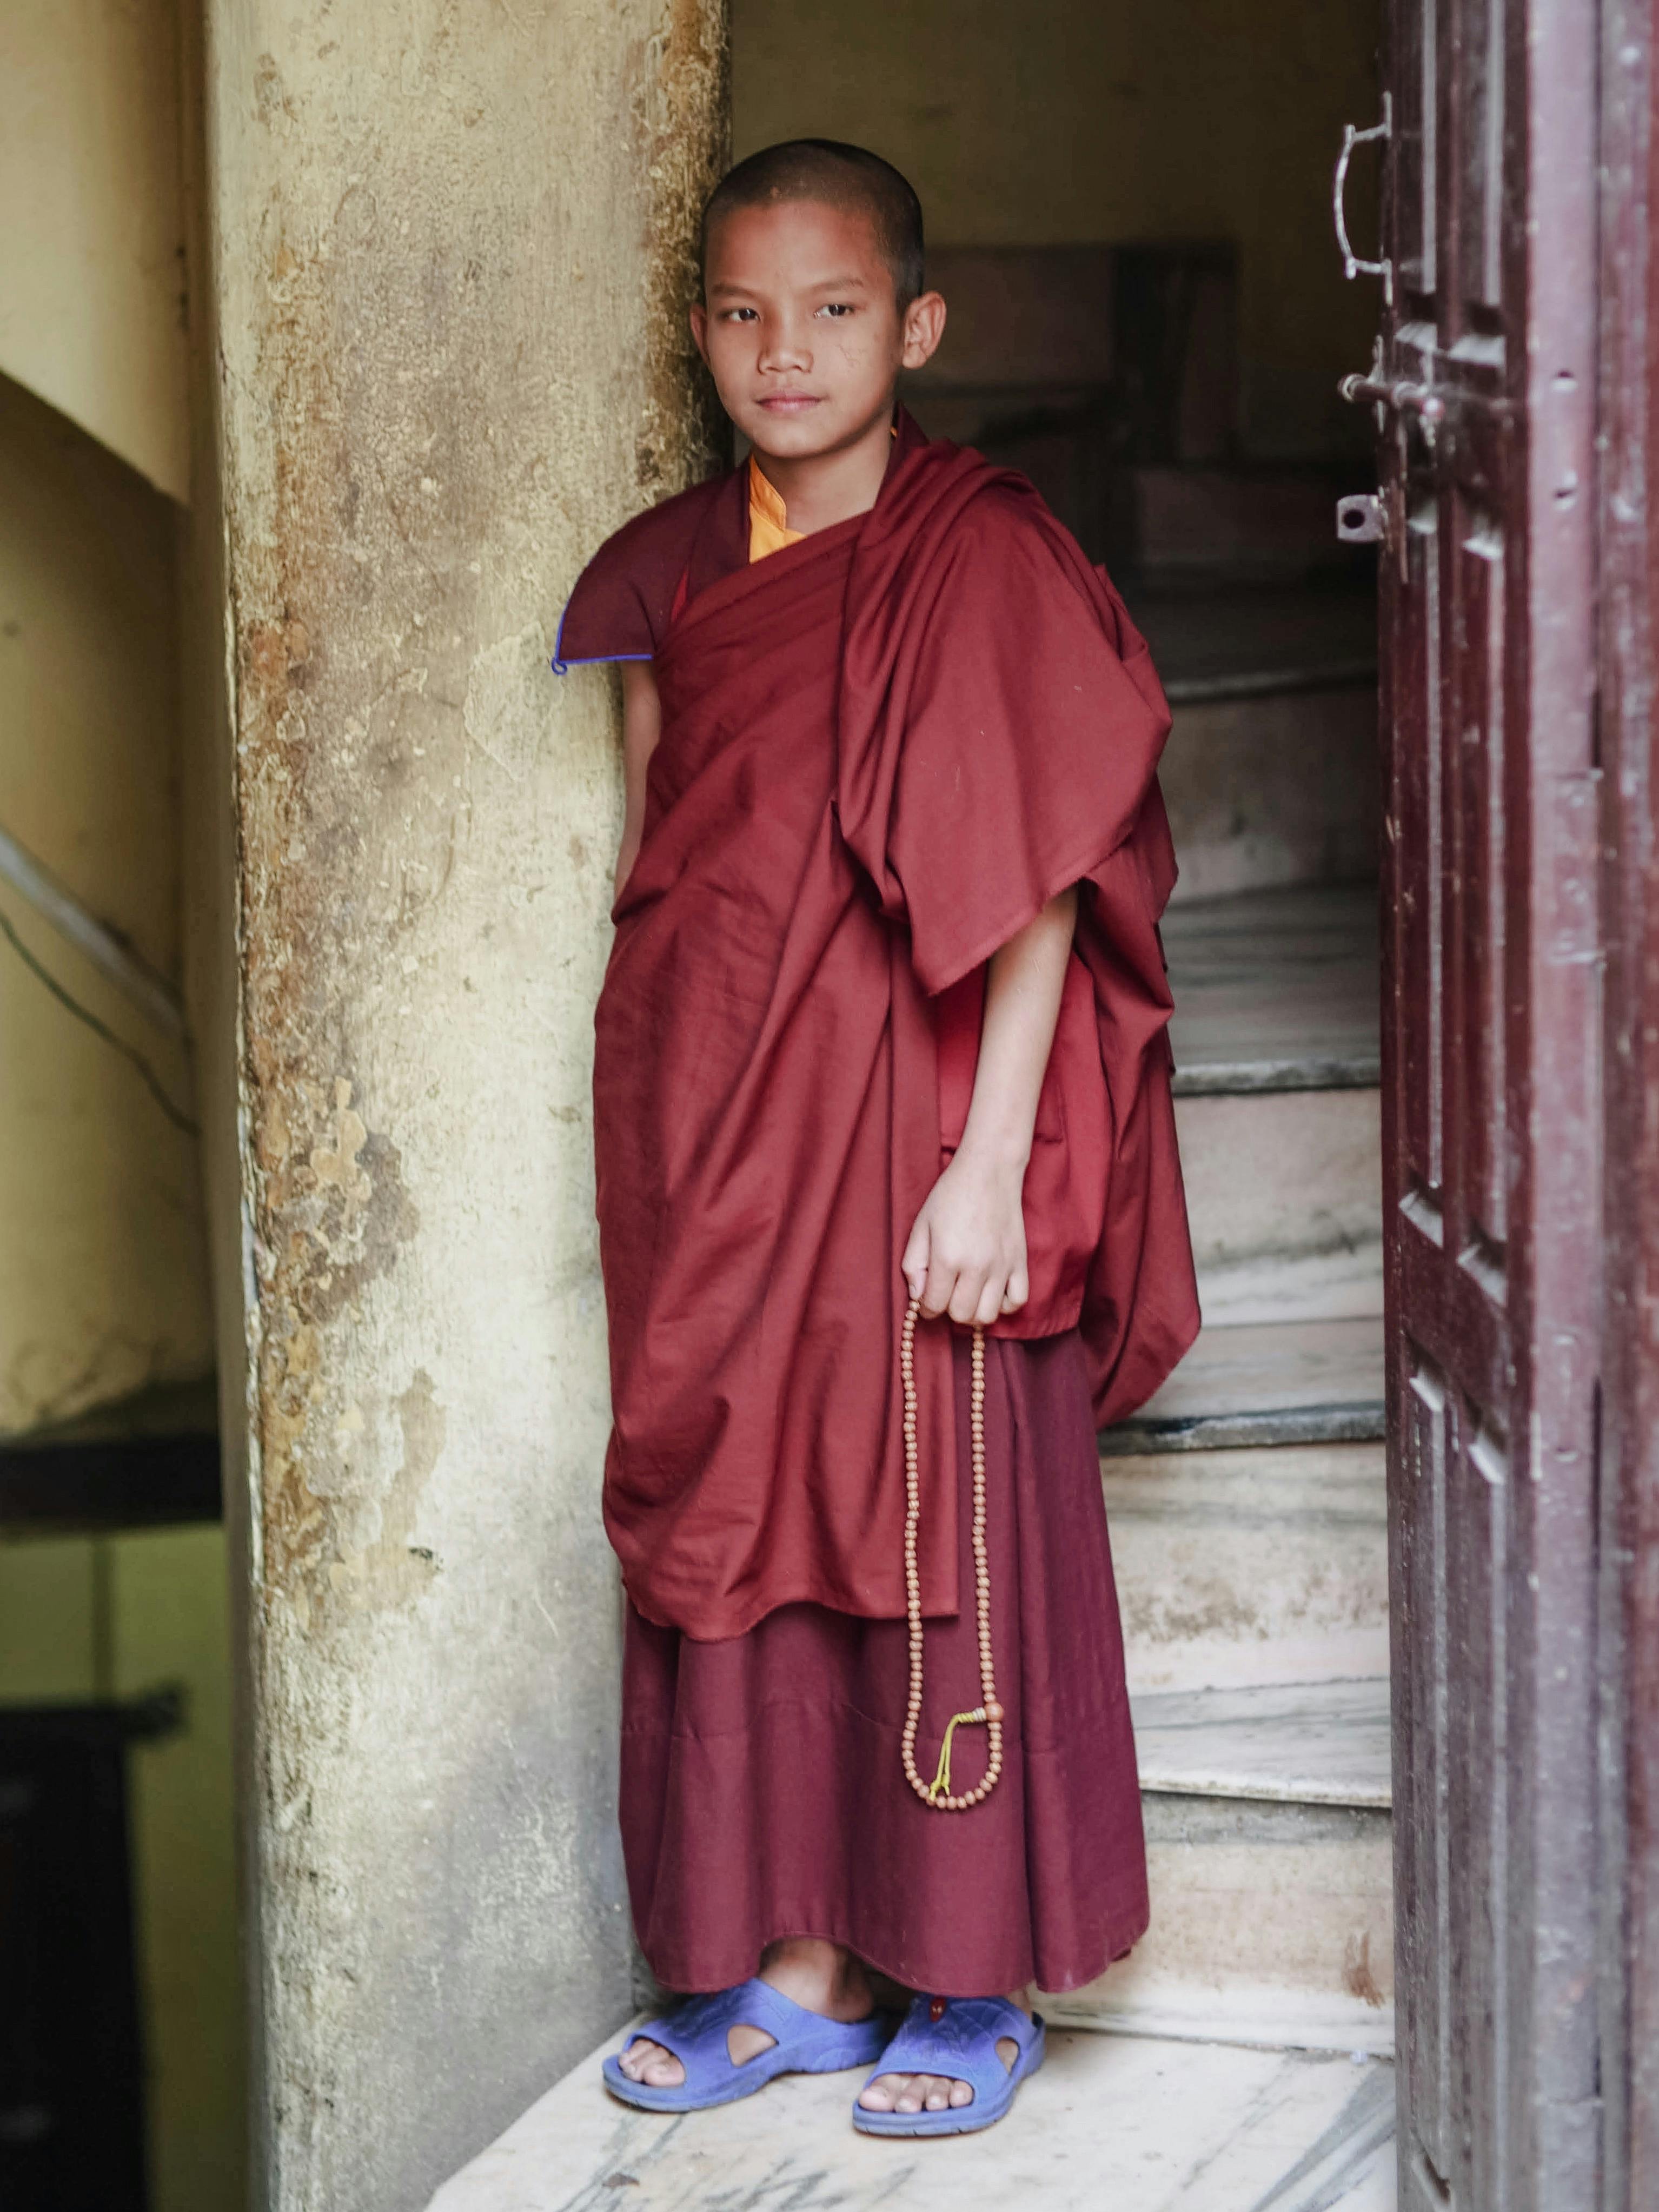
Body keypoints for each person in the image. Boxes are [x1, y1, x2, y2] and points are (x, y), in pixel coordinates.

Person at [552, 138, 1198, 2138]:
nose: (786, 352)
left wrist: (995, 1161)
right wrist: (683, 1139)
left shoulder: (979, 551)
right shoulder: (662, 571)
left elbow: (1034, 876)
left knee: (934, 1509)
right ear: (699, 335)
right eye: (744, 314)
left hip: (920, 1122)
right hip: (716, 1121)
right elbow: (674, 861)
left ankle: (962, 1974)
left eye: (833, 310)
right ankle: (801, 1969)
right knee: (745, 1525)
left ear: (913, 326)